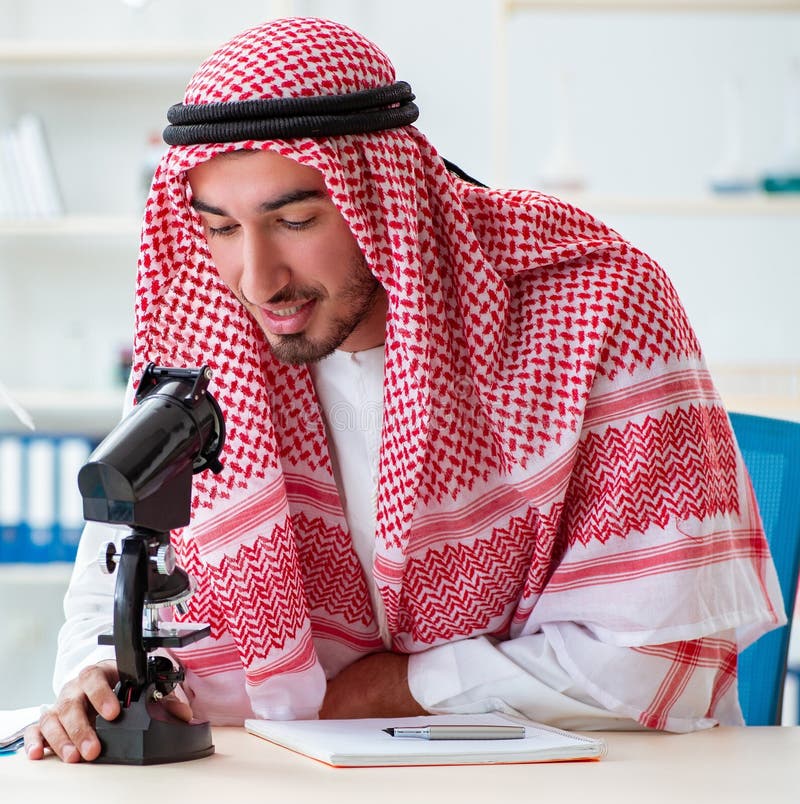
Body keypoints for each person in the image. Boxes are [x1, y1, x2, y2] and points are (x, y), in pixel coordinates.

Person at [26, 17, 784, 763]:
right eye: (221, 229)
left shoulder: (595, 305)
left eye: (295, 220)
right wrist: (98, 680)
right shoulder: (209, 333)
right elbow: (105, 592)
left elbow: (654, 663)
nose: (258, 280)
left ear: (382, 199)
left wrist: (391, 689)